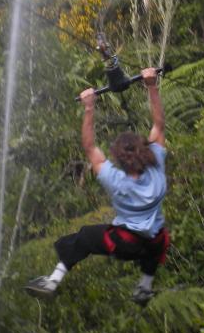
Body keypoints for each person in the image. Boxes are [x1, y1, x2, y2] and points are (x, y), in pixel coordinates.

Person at [25, 67, 169, 305]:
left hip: (125, 244)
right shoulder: (157, 167)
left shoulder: (117, 180)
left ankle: (52, 280)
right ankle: (144, 286)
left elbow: (90, 148)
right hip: (150, 243)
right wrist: (152, 86)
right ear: (144, 150)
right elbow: (159, 125)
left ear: (120, 161)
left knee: (84, 237)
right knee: (160, 237)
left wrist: (89, 108)